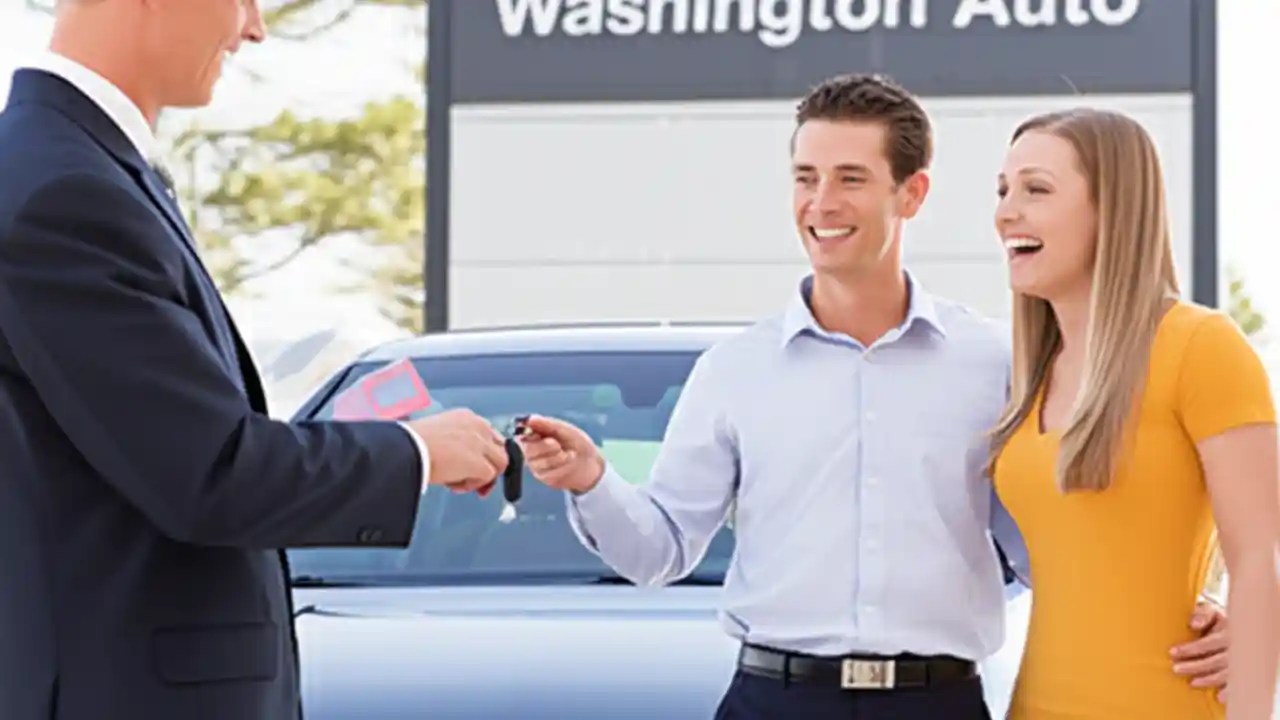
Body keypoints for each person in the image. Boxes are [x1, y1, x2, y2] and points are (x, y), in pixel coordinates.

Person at [516, 74, 1235, 719]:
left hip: (940, 704)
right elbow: (659, 553)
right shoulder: (735, 370)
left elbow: (1067, 543)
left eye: (851, 178)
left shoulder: (999, 365)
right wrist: (592, 482)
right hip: (774, 703)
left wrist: (1215, 614)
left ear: (911, 193)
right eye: (806, 177)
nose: (821, 203)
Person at [0, 2, 508, 718]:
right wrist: (418, 451)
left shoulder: (75, 168)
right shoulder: (65, 190)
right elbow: (210, 472)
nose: (254, 27)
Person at [987, 108, 1280, 719]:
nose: (1006, 212)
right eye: (1004, 190)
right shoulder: (1033, 375)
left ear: (1113, 209)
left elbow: (1260, 561)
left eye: (1036, 190)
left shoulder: (1200, 346)